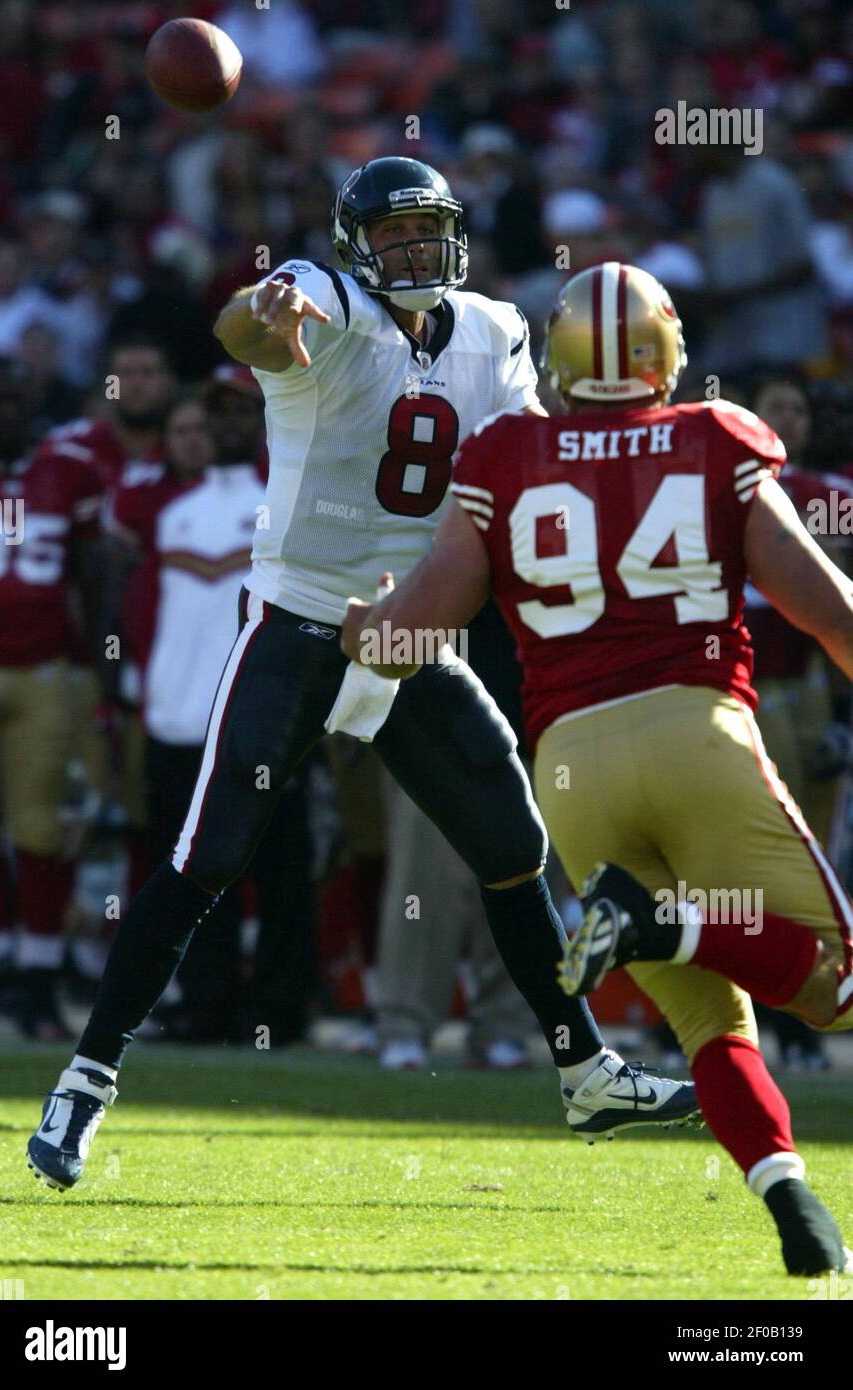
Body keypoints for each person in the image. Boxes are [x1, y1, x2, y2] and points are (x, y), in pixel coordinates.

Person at [26, 159, 697, 1192]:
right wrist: (265, 315)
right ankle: (83, 1079)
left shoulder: (491, 330)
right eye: (392, 234)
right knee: (207, 857)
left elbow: (523, 451)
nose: (415, 251)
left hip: (409, 629)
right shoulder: (327, 303)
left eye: (428, 229)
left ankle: (583, 1071)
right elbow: (247, 326)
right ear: (353, 246)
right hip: (298, 616)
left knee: (514, 849)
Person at [340, 261, 852, 1277]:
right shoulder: (714, 437)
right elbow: (824, 610)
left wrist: (365, 631)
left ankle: (792, 1202)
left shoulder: (505, 455)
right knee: (835, 985)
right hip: (695, 730)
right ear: (666, 353)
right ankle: (660, 918)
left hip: (568, 765)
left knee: (711, 1018)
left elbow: (411, 639)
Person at [0, 357, 103, 1038]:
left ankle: (39, 975)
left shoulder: (70, 470)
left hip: (47, 668)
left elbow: (92, 579)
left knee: (40, 830)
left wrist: (110, 675)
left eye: (13, 398)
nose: (2, 412)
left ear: (32, 401)